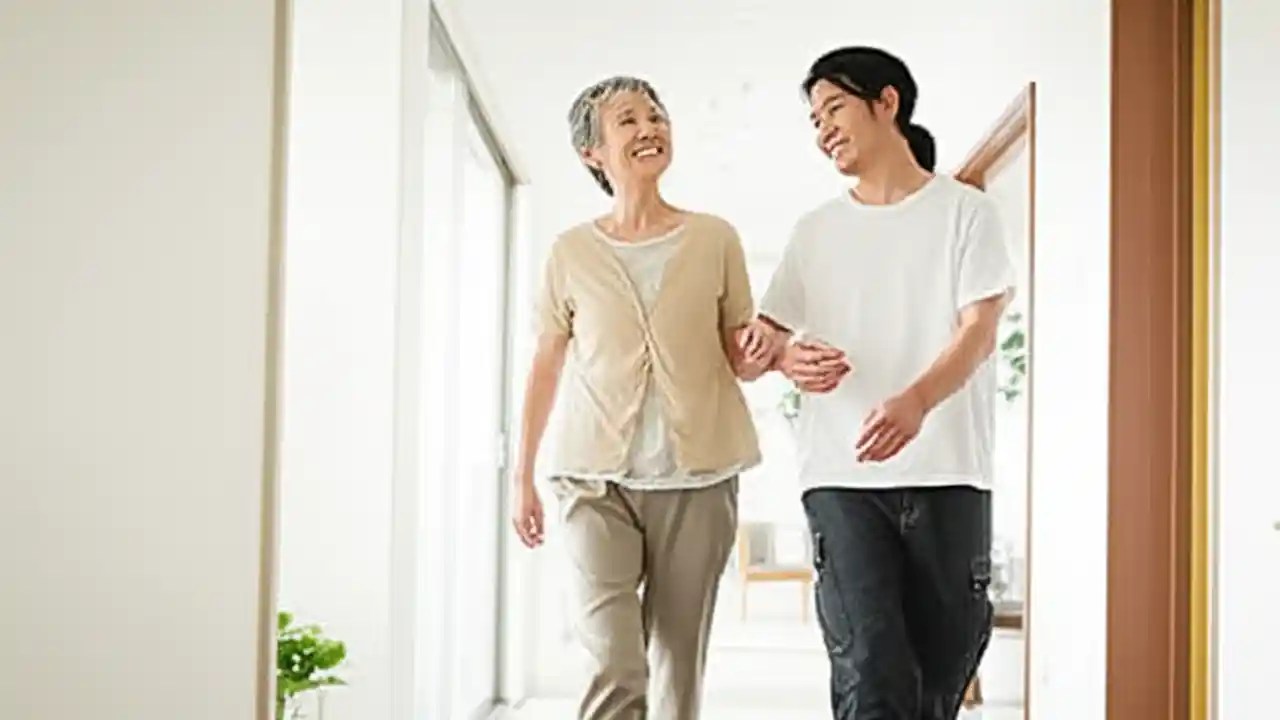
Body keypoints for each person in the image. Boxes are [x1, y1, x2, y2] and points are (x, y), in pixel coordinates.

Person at [755, 47, 1017, 719]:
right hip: (841, 479)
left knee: (939, 676)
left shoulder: (966, 213)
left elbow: (979, 331)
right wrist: (785, 354)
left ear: (888, 102)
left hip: (950, 474)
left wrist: (917, 400)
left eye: (834, 108)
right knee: (871, 673)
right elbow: (758, 344)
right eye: (814, 120)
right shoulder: (814, 232)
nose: (823, 131)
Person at [509, 75, 772, 720]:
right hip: (594, 484)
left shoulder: (716, 239)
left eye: (657, 116)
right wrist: (523, 477)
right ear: (592, 153)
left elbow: (739, 354)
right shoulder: (570, 251)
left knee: (679, 669)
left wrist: (762, 353)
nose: (650, 127)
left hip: (698, 480)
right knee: (616, 664)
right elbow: (546, 361)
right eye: (628, 120)